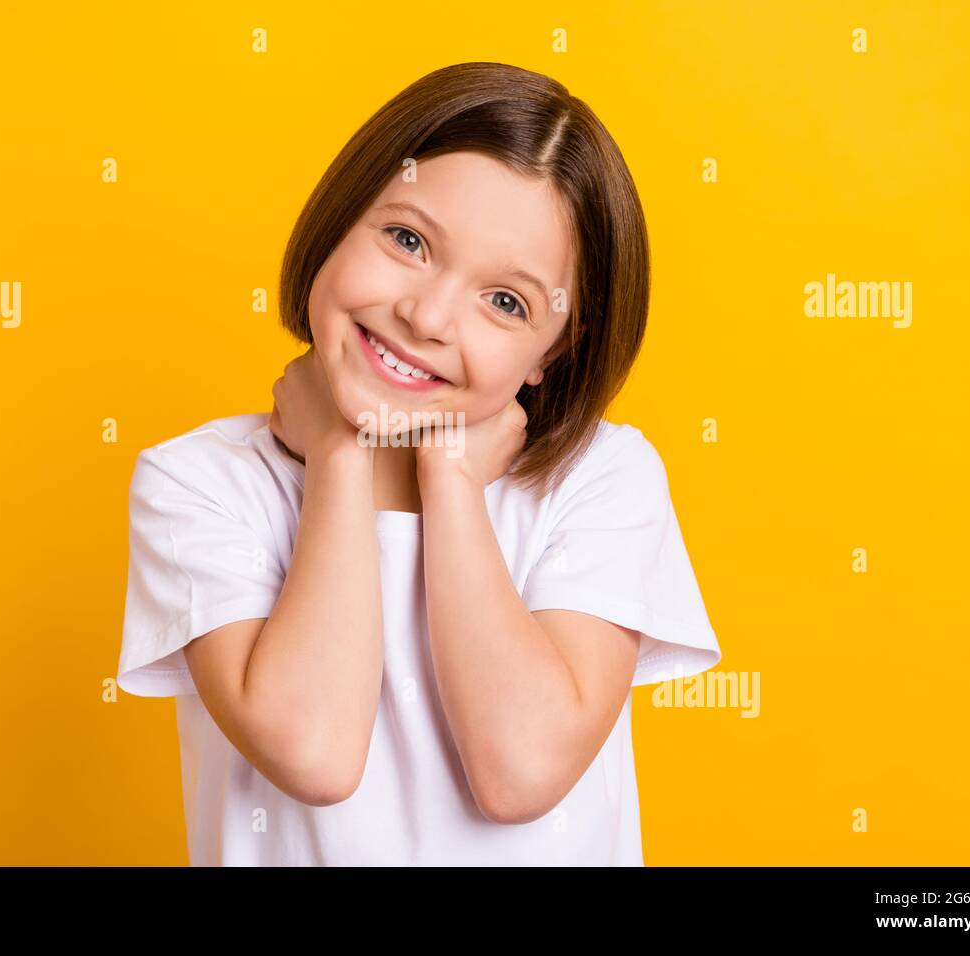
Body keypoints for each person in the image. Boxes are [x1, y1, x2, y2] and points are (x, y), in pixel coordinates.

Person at [116, 61, 721, 865]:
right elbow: (315, 754)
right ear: (341, 217)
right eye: (408, 241)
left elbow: (521, 773)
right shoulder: (199, 481)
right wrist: (339, 454)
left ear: (552, 352)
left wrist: (452, 480)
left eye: (506, 302)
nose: (427, 316)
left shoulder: (599, 480)